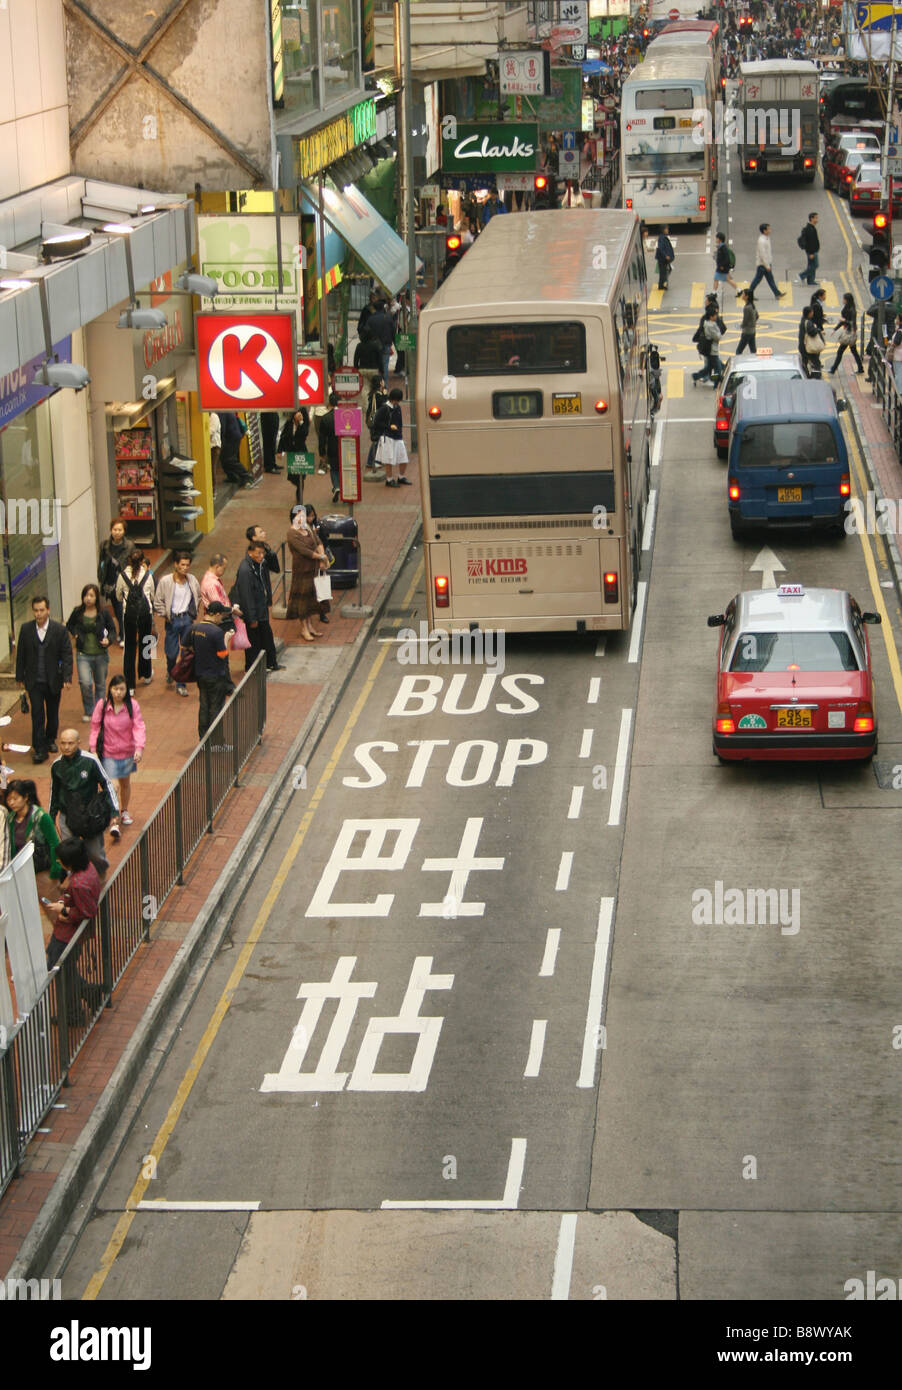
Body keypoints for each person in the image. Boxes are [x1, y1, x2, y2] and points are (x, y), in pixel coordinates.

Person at [41, 837, 103, 1023]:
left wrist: (64, 910)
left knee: (61, 971)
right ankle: (86, 995)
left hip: (69, 935)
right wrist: (64, 902)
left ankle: (74, 1011)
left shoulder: (79, 884)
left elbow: (87, 911)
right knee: (62, 969)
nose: (59, 863)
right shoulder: (86, 870)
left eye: (61, 861)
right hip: (66, 932)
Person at [49, 728, 118, 874]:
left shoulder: (91, 761)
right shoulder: (56, 765)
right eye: (63, 743)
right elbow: (53, 792)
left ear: (78, 743)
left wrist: (114, 810)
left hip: (89, 816)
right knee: (69, 854)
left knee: (95, 854)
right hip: (67, 816)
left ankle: (100, 875)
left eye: (70, 743)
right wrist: (52, 816)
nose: (66, 747)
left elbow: (107, 783)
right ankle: (74, 883)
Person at [15, 595, 73, 764]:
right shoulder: (26, 629)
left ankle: (50, 739)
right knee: (37, 713)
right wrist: (20, 676)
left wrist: (67, 676)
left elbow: (67, 654)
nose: (38, 614)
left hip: (53, 680)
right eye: (35, 610)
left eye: (41, 610)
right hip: (34, 681)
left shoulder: (59, 630)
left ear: (48, 610)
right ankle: (39, 748)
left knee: (52, 713)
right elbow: (21, 654)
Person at [89, 674, 145, 833]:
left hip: (127, 752)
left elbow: (139, 727)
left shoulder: (132, 706)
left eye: (121, 689)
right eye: (115, 688)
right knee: (112, 786)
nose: (118, 692)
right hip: (108, 753)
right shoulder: (102, 705)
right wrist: (93, 749)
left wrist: (139, 748)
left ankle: (124, 810)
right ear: (110, 689)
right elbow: (94, 727)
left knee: (125, 783)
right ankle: (114, 818)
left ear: (126, 690)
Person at [153, 551, 201, 697]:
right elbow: (158, 600)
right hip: (172, 620)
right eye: (182, 565)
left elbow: (198, 595)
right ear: (176, 565)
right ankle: (171, 670)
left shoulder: (192, 580)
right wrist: (165, 615)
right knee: (171, 653)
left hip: (187, 619)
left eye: (187, 565)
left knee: (185, 653)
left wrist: (194, 611)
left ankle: (181, 683)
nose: (185, 568)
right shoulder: (166, 581)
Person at [183, 602, 234, 739]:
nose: (222, 619)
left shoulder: (194, 627)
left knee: (204, 707)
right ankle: (216, 742)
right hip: (216, 676)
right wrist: (226, 640)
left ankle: (203, 739)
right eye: (221, 616)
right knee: (216, 708)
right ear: (216, 614)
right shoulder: (216, 632)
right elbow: (223, 656)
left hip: (200, 674)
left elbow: (185, 645)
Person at [66, 584, 116, 723]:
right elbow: (69, 625)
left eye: (91, 595)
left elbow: (112, 630)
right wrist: (75, 634)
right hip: (83, 654)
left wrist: (109, 640)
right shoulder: (77, 612)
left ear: (96, 598)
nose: (88, 598)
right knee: (86, 683)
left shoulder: (103, 613)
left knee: (100, 684)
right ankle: (89, 710)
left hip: (100, 654)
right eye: (86, 595)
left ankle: (99, 711)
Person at [234, 540, 282, 674]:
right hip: (254, 613)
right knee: (253, 643)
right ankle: (252, 669)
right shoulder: (245, 570)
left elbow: (276, 568)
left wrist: (270, 551)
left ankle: (269, 663)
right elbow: (247, 596)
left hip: (261, 608)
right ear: (250, 553)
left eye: (263, 553)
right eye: (258, 553)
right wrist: (252, 618)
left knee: (266, 637)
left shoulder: (261, 564)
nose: (262, 556)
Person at [116, 548, 155, 695]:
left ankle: (130, 685)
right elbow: (152, 595)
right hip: (146, 614)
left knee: (130, 647)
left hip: (129, 615)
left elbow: (119, 596)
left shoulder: (122, 576)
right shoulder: (148, 575)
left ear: (128, 561)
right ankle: (145, 674)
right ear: (142, 561)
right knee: (146, 642)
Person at [286, 506, 328, 642]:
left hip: (314, 569)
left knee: (311, 598)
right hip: (302, 571)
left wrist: (322, 554)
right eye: (299, 516)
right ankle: (304, 628)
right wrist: (321, 557)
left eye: (303, 516)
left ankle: (310, 626)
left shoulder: (307, 528)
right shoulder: (292, 533)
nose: (302, 518)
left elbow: (318, 541)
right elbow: (304, 551)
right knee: (302, 601)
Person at [6, 778, 62, 881]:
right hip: (20, 871)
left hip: (42, 870)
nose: (12, 803)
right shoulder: (10, 819)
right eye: (9, 800)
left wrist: (55, 870)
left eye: (15, 798)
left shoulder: (41, 817)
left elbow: (54, 844)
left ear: (25, 797)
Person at [97, 519, 132, 647]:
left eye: (120, 530)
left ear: (124, 531)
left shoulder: (129, 546)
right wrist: (101, 578)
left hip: (123, 581)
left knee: (121, 608)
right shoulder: (104, 545)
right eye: (115, 530)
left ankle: (124, 635)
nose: (117, 532)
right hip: (110, 581)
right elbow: (101, 563)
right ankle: (122, 633)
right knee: (117, 611)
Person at [373, 387, 409, 487]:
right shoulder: (384, 408)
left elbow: (400, 422)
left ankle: (401, 477)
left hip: (397, 436)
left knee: (404, 459)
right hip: (387, 437)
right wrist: (389, 426)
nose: (397, 402)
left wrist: (400, 433)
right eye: (396, 400)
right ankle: (389, 480)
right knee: (389, 460)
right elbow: (376, 423)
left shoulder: (397, 407)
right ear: (392, 399)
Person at [302, 504, 331, 625]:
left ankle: (322, 613)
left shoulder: (318, 525)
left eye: (312, 516)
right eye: (308, 516)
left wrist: (322, 558)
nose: (311, 519)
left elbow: (324, 540)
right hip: (309, 562)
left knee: (321, 587)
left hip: (319, 560)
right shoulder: (301, 528)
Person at [278, 408, 312, 503]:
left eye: (300, 414)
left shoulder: (303, 424)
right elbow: (283, 437)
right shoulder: (289, 423)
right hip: (292, 454)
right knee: (293, 478)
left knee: (301, 478)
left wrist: (301, 422)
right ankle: (298, 487)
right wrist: (279, 450)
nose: (298, 416)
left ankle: (299, 497)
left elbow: (305, 433)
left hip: (302, 453)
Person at [218, 411, 258, 489]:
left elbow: (222, 428)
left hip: (231, 437)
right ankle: (232, 477)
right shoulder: (225, 410)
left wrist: (220, 443)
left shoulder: (221, 412)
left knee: (229, 459)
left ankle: (246, 475)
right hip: (234, 435)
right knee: (225, 458)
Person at [747, 223, 785, 299]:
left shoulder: (766, 238)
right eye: (768, 229)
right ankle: (749, 294)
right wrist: (767, 265)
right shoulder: (761, 241)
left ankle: (777, 294)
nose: (770, 230)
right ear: (764, 231)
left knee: (769, 279)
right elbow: (762, 254)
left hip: (766, 263)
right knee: (758, 280)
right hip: (762, 265)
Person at [691, 303, 725, 385]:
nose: (716, 317)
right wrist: (719, 332)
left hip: (710, 350)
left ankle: (696, 376)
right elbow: (718, 337)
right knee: (718, 368)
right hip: (712, 350)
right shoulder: (710, 326)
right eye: (714, 315)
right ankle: (717, 384)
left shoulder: (707, 323)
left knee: (708, 368)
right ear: (711, 317)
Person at [317, 392, 341, 502]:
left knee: (334, 469)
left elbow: (321, 438)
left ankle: (336, 487)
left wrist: (322, 453)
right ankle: (346, 490)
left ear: (329, 403)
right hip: (345, 447)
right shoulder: (347, 415)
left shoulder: (325, 418)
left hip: (332, 448)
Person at [364, 376, 388, 481]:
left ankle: (376, 460)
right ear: (379, 383)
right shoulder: (377, 395)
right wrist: (385, 395)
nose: (384, 382)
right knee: (376, 440)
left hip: (375, 421)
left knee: (377, 439)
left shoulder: (374, 394)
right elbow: (384, 405)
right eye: (382, 381)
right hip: (376, 422)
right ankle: (371, 461)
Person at [366, 301, 396, 384]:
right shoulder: (388, 318)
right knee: (385, 365)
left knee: (375, 365)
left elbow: (366, 331)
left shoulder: (370, 319)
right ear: (383, 308)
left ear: (375, 308)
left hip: (374, 345)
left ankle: (375, 384)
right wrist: (393, 340)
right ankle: (384, 385)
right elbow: (393, 330)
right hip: (386, 344)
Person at [798, 211, 820, 286]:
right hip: (811, 251)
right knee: (815, 265)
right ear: (811, 218)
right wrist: (810, 253)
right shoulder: (809, 229)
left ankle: (810, 280)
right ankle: (801, 275)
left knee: (811, 265)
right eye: (816, 218)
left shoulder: (812, 228)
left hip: (813, 250)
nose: (817, 220)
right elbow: (810, 243)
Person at [736, 289, 759, 355]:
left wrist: (742, 326)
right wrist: (752, 323)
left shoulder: (746, 308)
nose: (742, 295)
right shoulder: (752, 305)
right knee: (753, 351)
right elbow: (757, 316)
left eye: (743, 294)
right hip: (753, 331)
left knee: (738, 351)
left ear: (747, 296)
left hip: (746, 332)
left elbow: (745, 321)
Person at [655, 226, 674, 291]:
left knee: (665, 271)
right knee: (663, 272)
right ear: (663, 230)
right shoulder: (662, 238)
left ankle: (662, 284)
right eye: (666, 229)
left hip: (663, 258)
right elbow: (661, 248)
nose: (667, 230)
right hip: (662, 259)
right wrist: (666, 255)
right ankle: (661, 285)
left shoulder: (663, 237)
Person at [208, 411, 221, 479]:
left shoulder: (214, 416)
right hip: (209, 446)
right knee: (210, 468)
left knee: (212, 468)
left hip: (214, 446)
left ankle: (213, 488)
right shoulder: (209, 416)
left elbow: (211, 431)